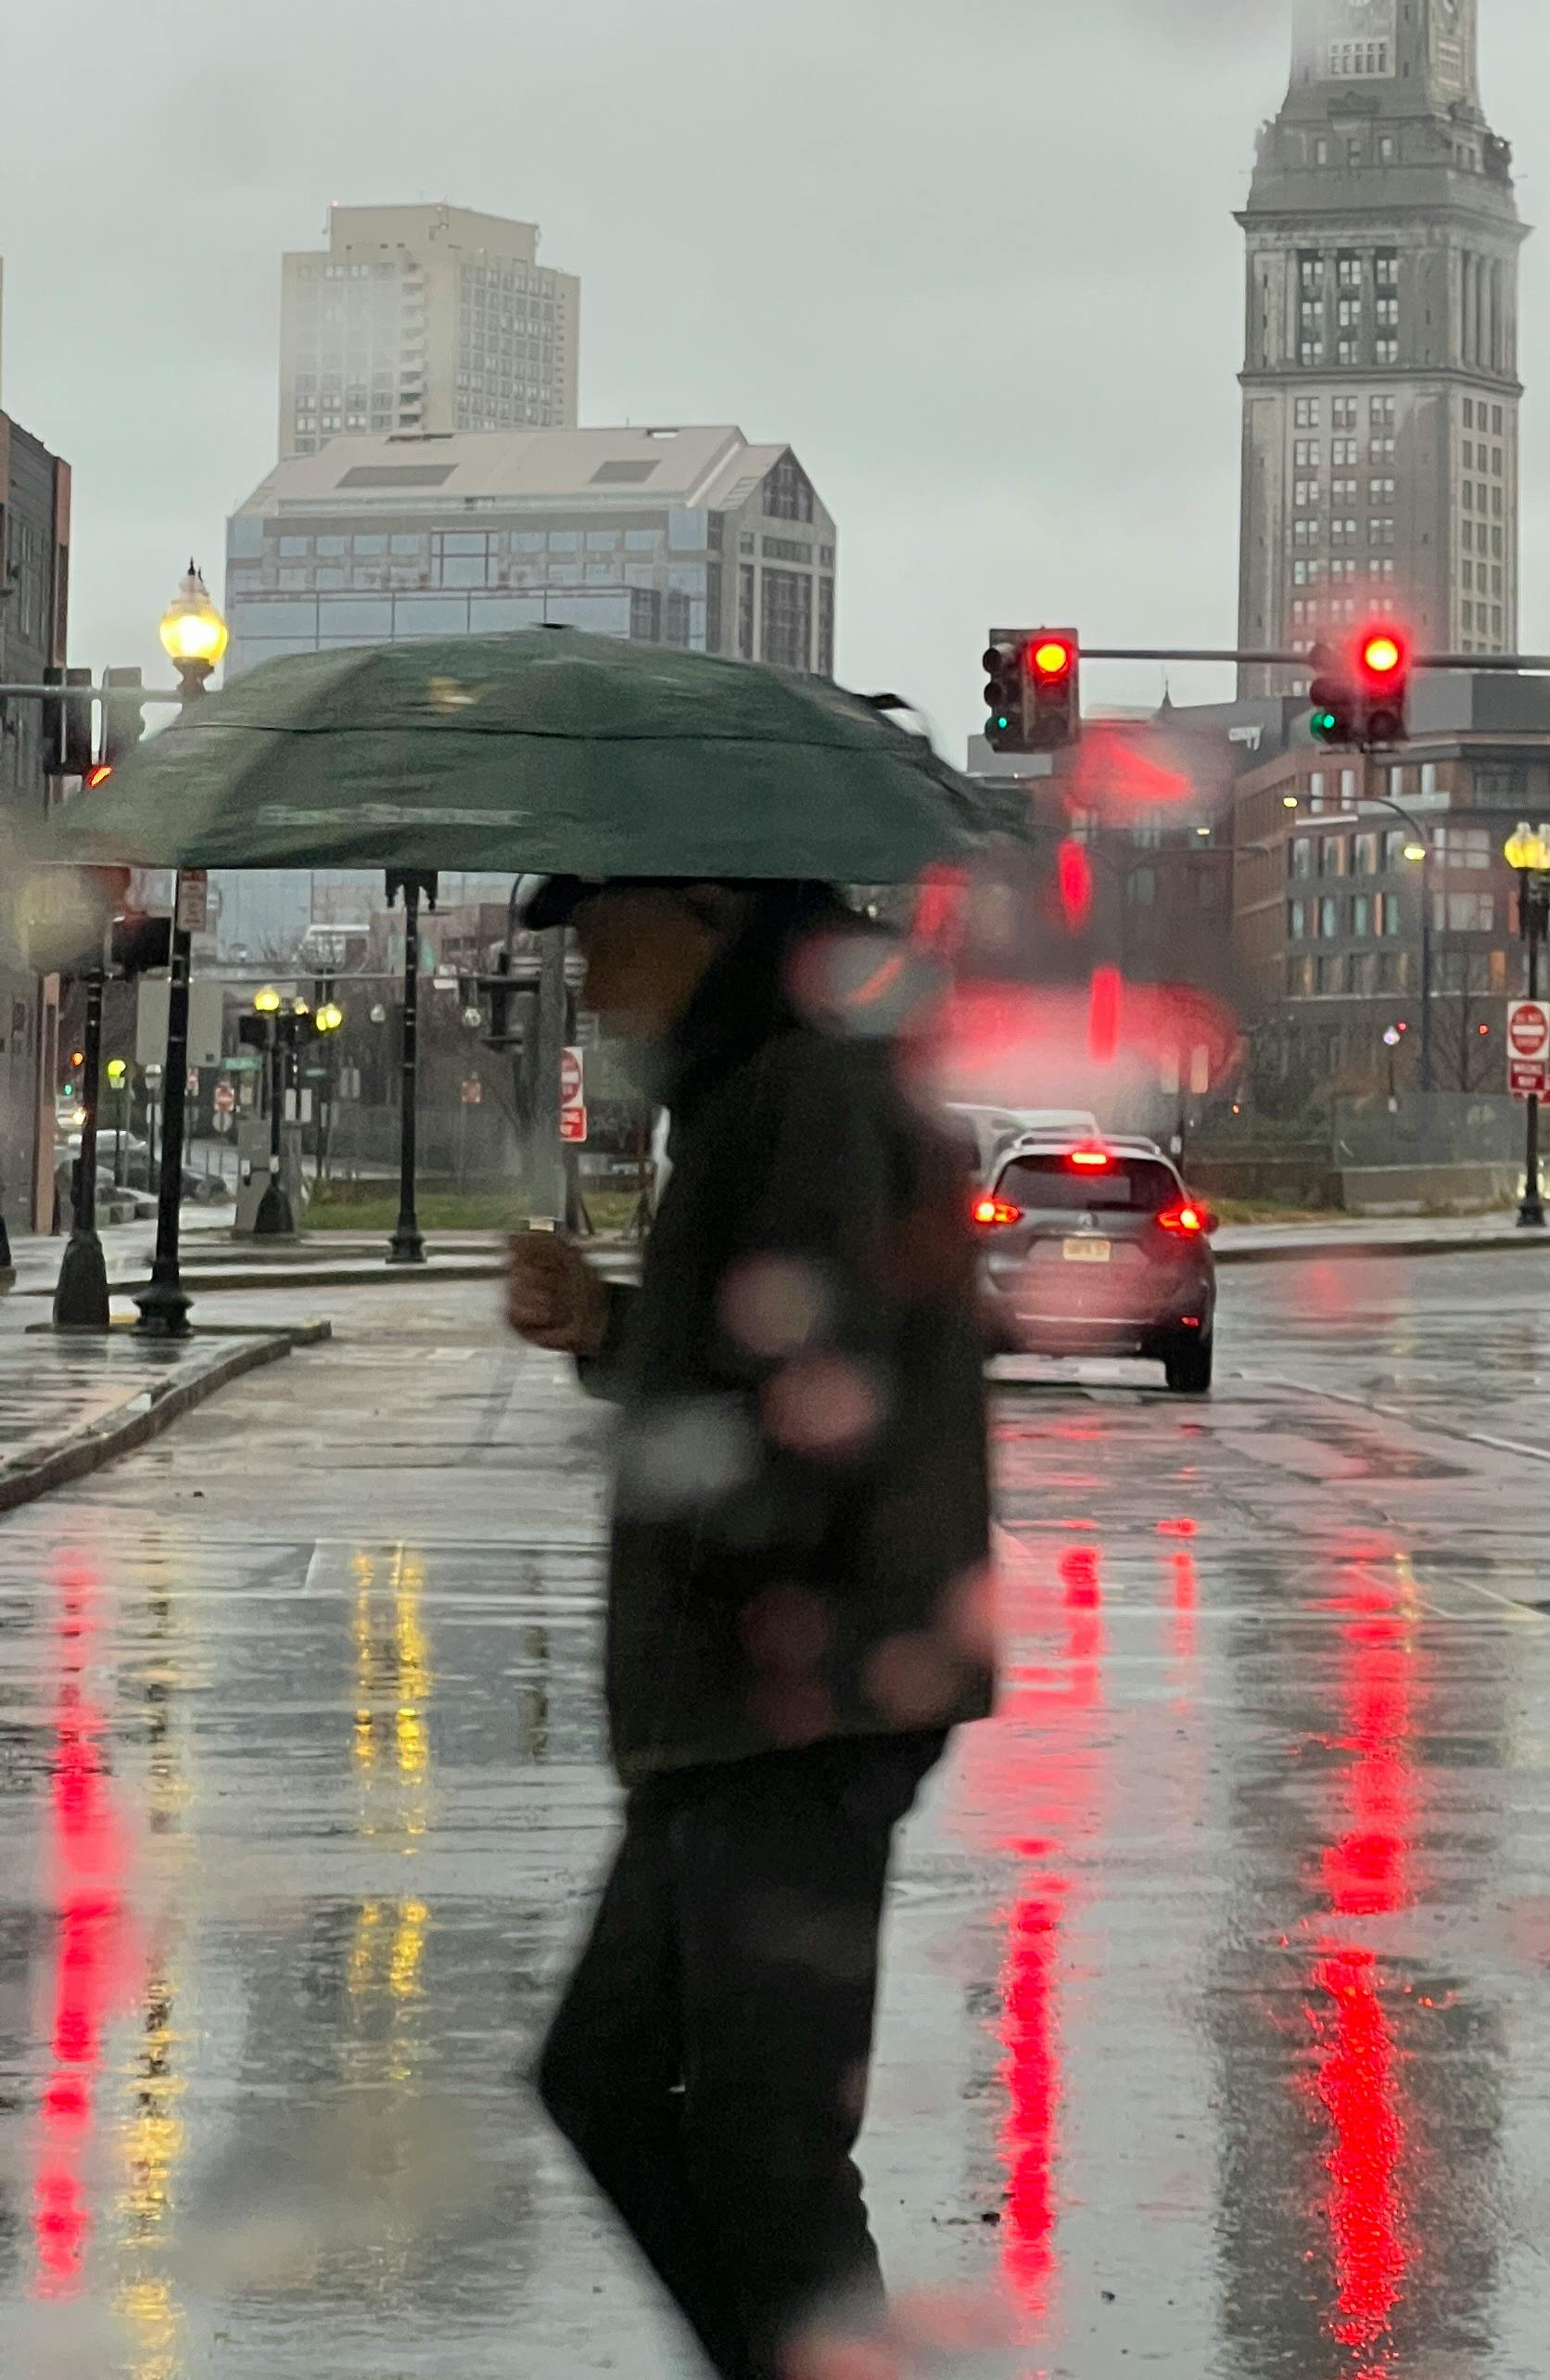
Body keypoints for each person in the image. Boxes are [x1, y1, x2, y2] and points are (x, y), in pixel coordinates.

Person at [505, 876, 992, 2380]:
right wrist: (611, 1326)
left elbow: (812, 1392)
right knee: (621, 2084)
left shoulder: (809, 1088)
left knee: (761, 2140)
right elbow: (755, 1341)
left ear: (707, 910)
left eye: (605, 931)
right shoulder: (762, 1083)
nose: (592, 978)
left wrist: (723, 1548)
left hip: (793, 1691)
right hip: (741, 1702)